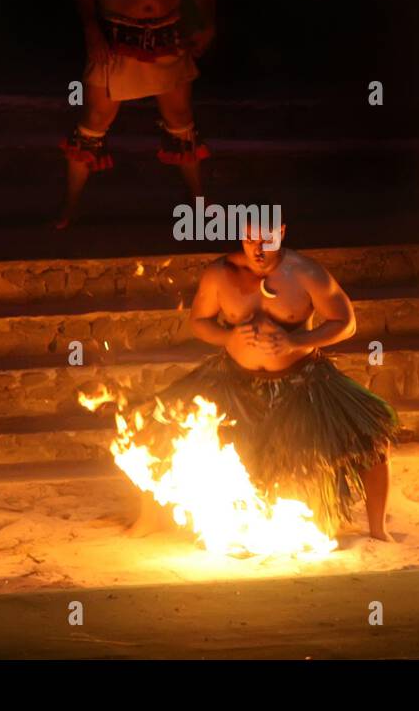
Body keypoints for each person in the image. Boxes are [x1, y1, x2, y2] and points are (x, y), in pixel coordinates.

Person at [129, 211, 398, 540]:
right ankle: (148, 519)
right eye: (249, 239)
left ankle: (378, 528)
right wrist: (228, 337)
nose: (257, 249)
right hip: (231, 380)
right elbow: (200, 322)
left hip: (304, 382)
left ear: (281, 232)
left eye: (266, 240)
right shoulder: (220, 274)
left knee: (372, 439)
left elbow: (347, 323)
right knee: (156, 424)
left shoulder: (306, 273)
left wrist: (295, 340)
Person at [57, 0, 216, 228]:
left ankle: (201, 208)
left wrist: (207, 21)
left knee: (181, 122)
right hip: (116, 35)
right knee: (93, 121)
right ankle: (69, 209)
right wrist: (91, 28)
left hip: (168, 33)